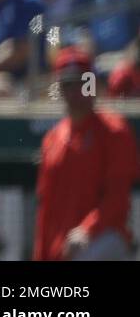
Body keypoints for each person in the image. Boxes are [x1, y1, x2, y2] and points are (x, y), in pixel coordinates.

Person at [33, 47, 137, 260]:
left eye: (83, 83)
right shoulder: (52, 139)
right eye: (68, 84)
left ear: (93, 85)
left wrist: (87, 229)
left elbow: (117, 199)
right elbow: (46, 209)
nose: (76, 91)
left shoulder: (114, 131)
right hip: (62, 247)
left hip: (103, 238)